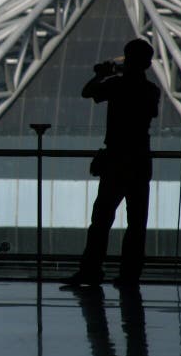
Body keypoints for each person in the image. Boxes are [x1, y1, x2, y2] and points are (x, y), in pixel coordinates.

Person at [64, 38, 160, 287]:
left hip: (116, 160)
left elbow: (87, 92)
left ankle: (91, 270)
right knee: (136, 223)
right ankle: (129, 275)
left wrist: (103, 74)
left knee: (101, 220)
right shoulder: (151, 90)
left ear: (128, 60)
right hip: (139, 161)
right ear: (148, 64)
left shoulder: (117, 85)